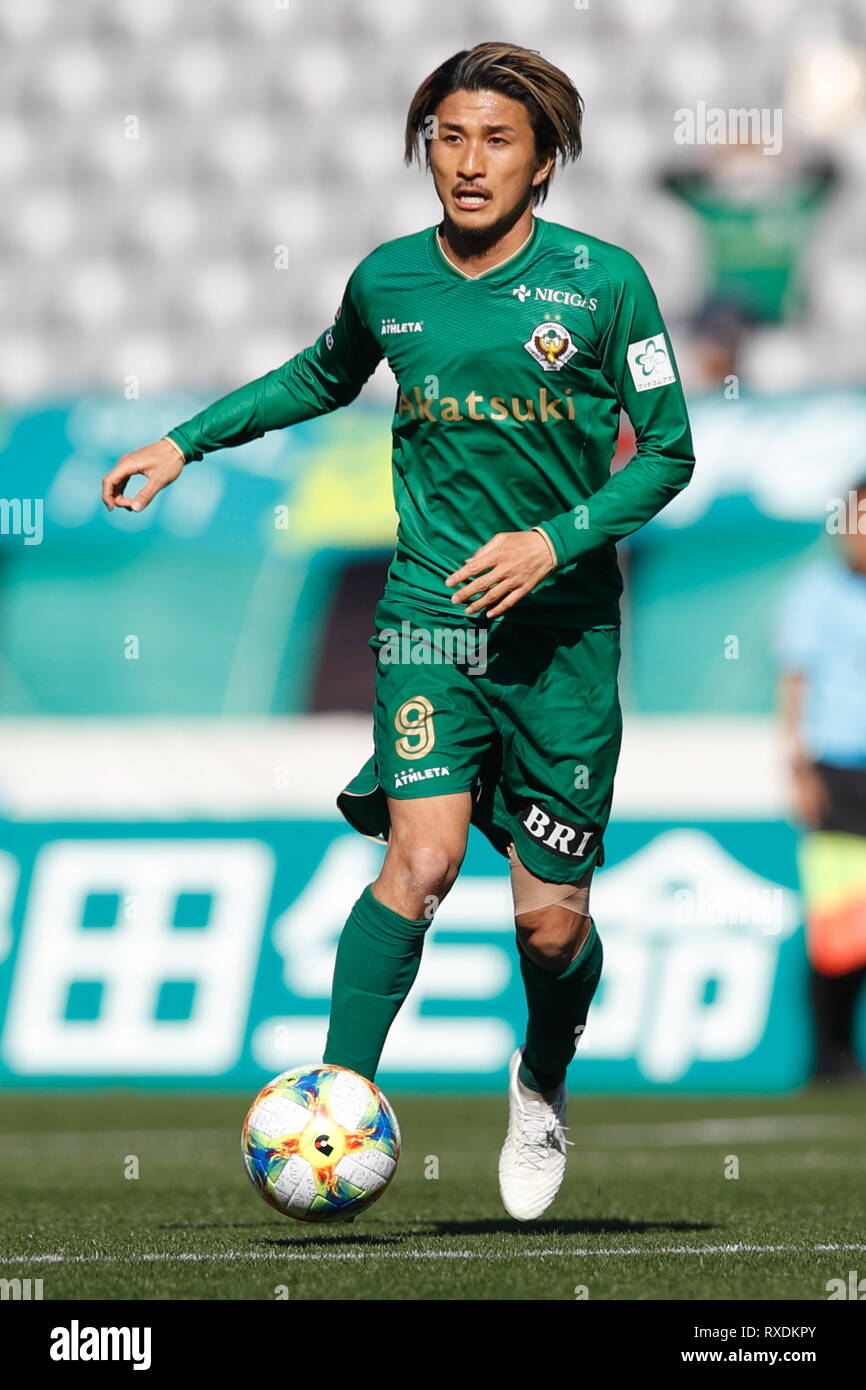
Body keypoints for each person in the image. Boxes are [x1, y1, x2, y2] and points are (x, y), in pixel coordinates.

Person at [102, 42, 695, 1219]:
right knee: (416, 861)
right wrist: (187, 440)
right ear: (424, 145)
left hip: (562, 634)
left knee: (546, 925)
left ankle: (541, 1075)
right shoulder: (388, 280)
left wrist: (554, 539)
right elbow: (319, 376)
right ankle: (338, 1099)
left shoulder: (604, 282)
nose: (467, 164)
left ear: (544, 164)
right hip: (429, 619)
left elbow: (669, 453)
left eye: (497, 141)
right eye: (448, 136)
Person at [777, 474, 866, 1081]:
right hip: (838, 769)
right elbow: (795, 683)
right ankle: (829, 1053)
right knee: (841, 923)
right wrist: (800, 769)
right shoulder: (815, 591)